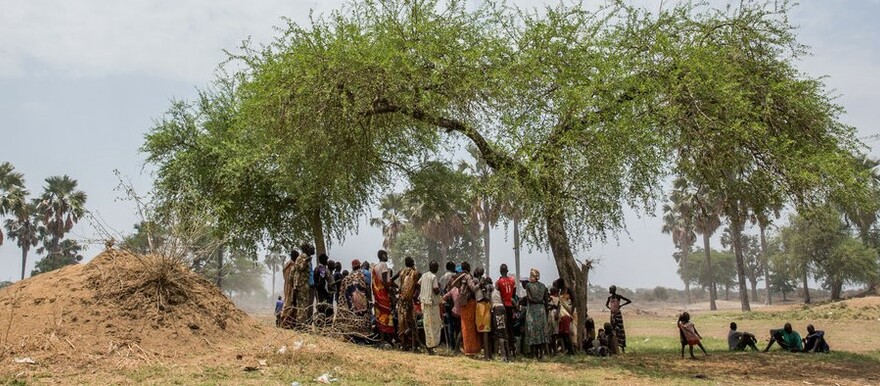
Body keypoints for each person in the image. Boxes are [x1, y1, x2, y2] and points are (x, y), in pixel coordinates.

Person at [338, 259, 371, 342]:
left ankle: (352, 335)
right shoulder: (362, 275)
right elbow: (367, 287)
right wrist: (369, 299)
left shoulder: (347, 278)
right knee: (363, 316)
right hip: (361, 303)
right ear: (359, 265)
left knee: (353, 315)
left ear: (352, 267)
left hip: (351, 305)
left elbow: (342, 295)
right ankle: (362, 336)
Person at [452, 261, 481, 356]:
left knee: (463, 326)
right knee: (469, 327)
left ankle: (458, 348)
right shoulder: (468, 277)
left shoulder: (460, 276)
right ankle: (469, 349)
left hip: (463, 304)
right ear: (468, 268)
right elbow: (473, 289)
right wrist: (480, 284)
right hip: (469, 304)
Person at [393, 256, 420, 351]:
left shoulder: (401, 272)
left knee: (402, 322)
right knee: (412, 322)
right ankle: (414, 345)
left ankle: (404, 344)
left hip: (401, 300)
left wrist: (399, 288)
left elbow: (391, 280)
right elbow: (419, 285)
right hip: (409, 301)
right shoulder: (416, 273)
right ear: (412, 263)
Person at [524, 268, 550, 359]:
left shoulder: (528, 285)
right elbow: (546, 301)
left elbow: (530, 298)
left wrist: (535, 300)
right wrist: (546, 312)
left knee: (532, 332)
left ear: (534, 277)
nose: (530, 277)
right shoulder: (543, 286)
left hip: (532, 310)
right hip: (541, 310)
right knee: (541, 332)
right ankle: (541, 355)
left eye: (531, 275)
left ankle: (534, 355)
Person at [371, 250, 396, 345]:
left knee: (380, 316)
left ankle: (383, 339)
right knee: (386, 315)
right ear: (382, 255)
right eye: (386, 255)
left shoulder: (375, 267)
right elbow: (385, 282)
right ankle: (388, 339)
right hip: (384, 294)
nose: (387, 256)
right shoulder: (384, 265)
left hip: (378, 295)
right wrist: (390, 291)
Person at [419, 260, 442, 354]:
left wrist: (423, 292)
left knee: (427, 325)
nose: (437, 269)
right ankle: (431, 346)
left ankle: (430, 346)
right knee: (434, 326)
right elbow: (436, 290)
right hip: (432, 304)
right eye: (436, 267)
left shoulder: (424, 275)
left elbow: (418, 284)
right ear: (434, 268)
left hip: (424, 303)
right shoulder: (433, 277)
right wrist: (440, 289)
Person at [495, 264, 517, 358]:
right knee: (511, 328)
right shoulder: (512, 280)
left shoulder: (498, 282)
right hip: (510, 306)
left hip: (502, 306)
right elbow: (514, 294)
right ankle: (512, 349)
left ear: (500, 271)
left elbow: (497, 294)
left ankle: (505, 350)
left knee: (503, 329)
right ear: (507, 270)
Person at [473, 267, 493, 359]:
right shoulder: (476, 280)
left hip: (483, 305)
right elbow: (474, 289)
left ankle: (486, 355)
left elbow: (490, 289)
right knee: (484, 330)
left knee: (485, 330)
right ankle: (487, 354)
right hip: (483, 305)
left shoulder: (482, 281)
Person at [605, 285, 631, 353]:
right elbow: (606, 305)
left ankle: (622, 347)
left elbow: (629, 301)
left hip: (618, 315)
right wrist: (610, 308)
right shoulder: (609, 298)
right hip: (612, 315)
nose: (609, 291)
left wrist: (621, 305)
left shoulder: (618, 296)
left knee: (620, 330)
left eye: (610, 289)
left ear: (614, 290)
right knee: (612, 330)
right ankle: (613, 347)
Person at [314, 254, 336, 319]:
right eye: (326, 259)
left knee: (319, 308)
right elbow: (321, 282)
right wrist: (326, 294)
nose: (327, 261)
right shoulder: (322, 269)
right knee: (323, 309)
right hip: (321, 292)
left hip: (317, 291)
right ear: (323, 260)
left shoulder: (316, 268)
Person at [490, 287, 510, 361]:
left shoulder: (490, 292)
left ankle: (502, 355)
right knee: (504, 331)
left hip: (497, 310)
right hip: (502, 308)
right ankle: (508, 355)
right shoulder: (498, 291)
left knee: (499, 332)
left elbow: (491, 304)